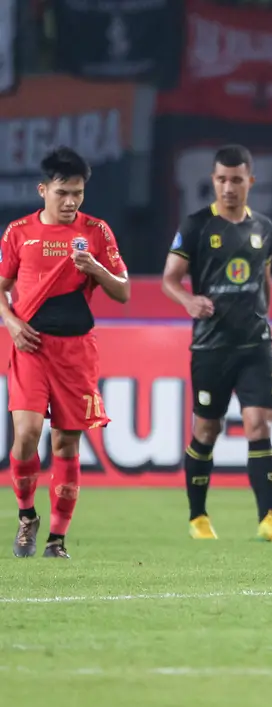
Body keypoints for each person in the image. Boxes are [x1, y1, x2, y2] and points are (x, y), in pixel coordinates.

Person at [2, 147, 131, 559]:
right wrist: (11, 322)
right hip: (31, 347)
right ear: (43, 190)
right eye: (62, 192)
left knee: (66, 446)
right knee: (24, 436)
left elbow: (123, 291)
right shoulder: (18, 232)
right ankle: (27, 516)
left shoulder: (97, 232)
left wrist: (94, 267)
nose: (71, 201)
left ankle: (57, 539)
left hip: (76, 351)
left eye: (77, 192)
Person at [161, 145, 272, 542]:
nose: (228, 187)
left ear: (250, 181)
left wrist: (263, 315)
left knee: (258, 423)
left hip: (254, 345)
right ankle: (198, 516)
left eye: (236, 179)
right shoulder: (197, 224)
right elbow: (169, 279)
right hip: (210, 347)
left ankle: (267, 518)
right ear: (213, 181)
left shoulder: (263, 227)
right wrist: (188, 300)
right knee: (207, 429)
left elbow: (265, 279)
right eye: (221, 179)